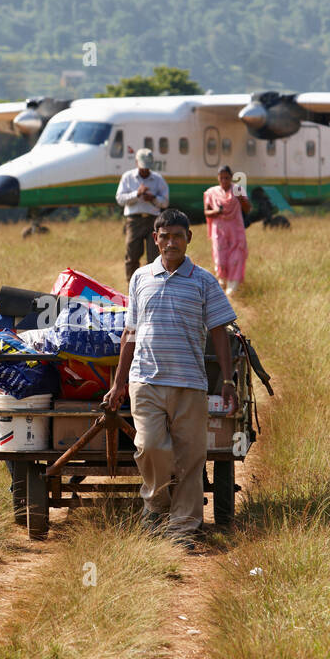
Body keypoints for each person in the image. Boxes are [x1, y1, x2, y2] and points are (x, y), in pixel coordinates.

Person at [103, 208, 237, 552]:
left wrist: (227, 379)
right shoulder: (140, 278)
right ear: (155, 239)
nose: (172, 242)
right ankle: (156, 506)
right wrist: (119, 384)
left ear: (189, 239)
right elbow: (130, 333)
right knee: (150, 448)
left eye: (179, 236)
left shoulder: (204, 281)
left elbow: (219, 331)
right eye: (165, 236)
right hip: (145, 381)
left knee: (192, 459)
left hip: (190, 383)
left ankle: (183, 528)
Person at [116, 148, 169, 282]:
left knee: (154, 257)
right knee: (132, 255)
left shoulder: (157, 179)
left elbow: (165, 202)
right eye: (142, 167)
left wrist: (153, 198)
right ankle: (132, 286)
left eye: (147, 167)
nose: (145, 170)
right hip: (134, 221)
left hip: (153, 220)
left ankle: (152, 285)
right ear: (136, 163)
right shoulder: (128, 177)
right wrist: (137, 194)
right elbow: (120, 199)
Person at [203, 164, 250, 296]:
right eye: (221, 178)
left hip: (236, 229)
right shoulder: (211, 192)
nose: (224, 181)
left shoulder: (238, 190)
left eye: (227, 178)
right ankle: (222, 279)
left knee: (236, 256)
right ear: (218, 178)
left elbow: (247, 209)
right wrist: (216, 211)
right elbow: (206, 212)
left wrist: (241, 199)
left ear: (231, 177)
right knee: (220, 258)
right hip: (219, 230)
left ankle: (233, 286)